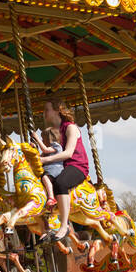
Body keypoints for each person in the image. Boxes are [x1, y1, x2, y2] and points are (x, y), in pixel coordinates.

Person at [34, 99, 90, 245]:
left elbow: (68, 153)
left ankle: (64, 225)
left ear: (57, 110)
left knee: (61, 182)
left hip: (77, 166)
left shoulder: (70, 127)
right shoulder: (58, 130)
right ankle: (46, 226)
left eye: (47, 110)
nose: (44, 113)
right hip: (64, 166)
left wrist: (45, 160)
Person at [35, 126, 64, 206]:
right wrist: (33, 148)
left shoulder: (56, 146)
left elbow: (45, 149)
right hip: (48, 169)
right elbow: (38, 157)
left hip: (55, 168)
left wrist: (37, 139)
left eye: (43, 139)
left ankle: (51, 197)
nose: (43, 141)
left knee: (45, 177)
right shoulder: (46, 152)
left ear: (49, 139)